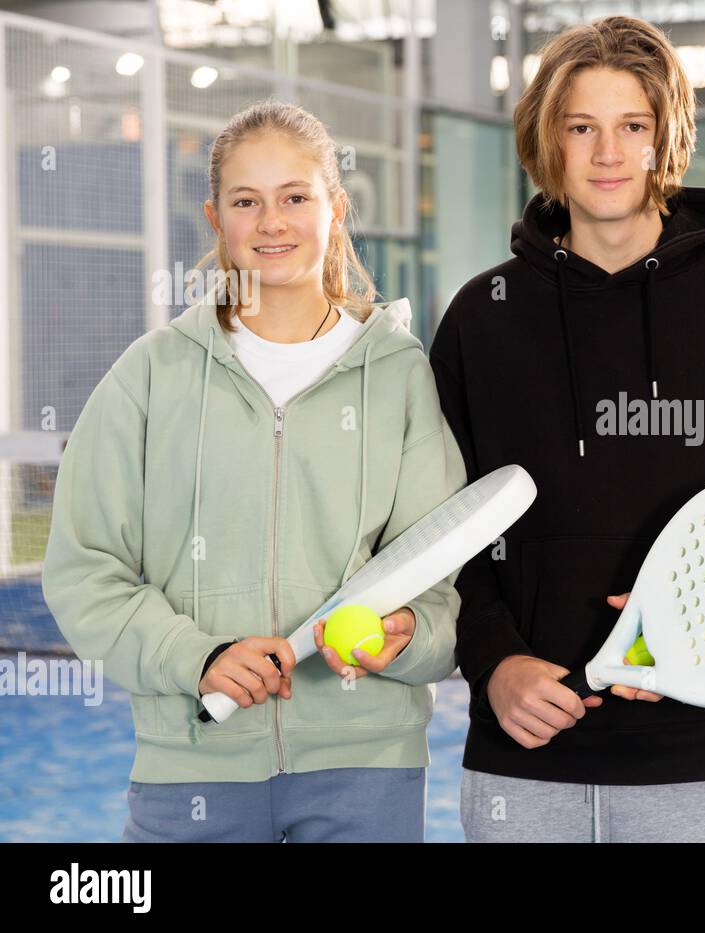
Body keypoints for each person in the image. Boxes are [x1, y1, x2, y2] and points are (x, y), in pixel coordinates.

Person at [430, 15, 705, 842]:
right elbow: (442, 532)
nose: (607, 153)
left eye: (632, 127)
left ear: (666, 139)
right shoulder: (484, 317)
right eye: (582, 127)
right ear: (549, 141)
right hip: (525, 756)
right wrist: (495, 662)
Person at [42, 101, 466, 842]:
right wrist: (196, 657)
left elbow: (440, 580)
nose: (273, 222)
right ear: (217, 217)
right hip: (193, 770)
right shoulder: (151, 376)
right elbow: (84, 568)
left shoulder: (398, 374)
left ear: (335, 207)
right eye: (247, 201)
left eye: (295, 197)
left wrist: (408, 634)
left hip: (366, 769)